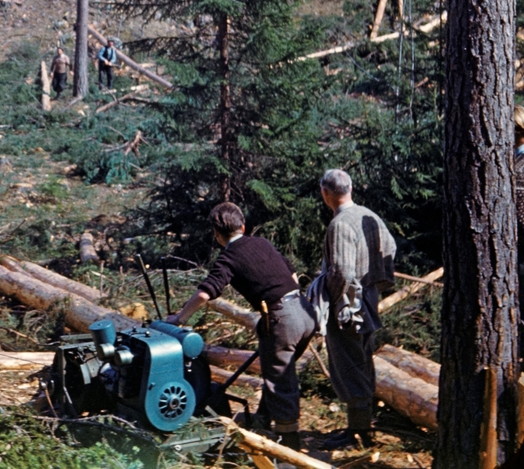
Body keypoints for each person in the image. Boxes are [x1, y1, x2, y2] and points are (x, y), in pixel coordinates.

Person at [166, 202, 315, 450]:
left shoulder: (229, 256)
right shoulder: (262, 243)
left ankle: (289, 448)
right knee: (275, 368)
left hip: (284, 318)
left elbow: (205, 293)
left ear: (217, 235)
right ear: (243, 226)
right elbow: (292, 274)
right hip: (306, 311)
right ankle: (263, 420)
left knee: (280, 382)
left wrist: (179, 319)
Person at [311, 169, 396, 451]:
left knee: (349, 366)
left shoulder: (340, 225)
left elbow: (343, 273)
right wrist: (376, 285)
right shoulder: (368, 215)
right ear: (350, 188)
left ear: (325, 193)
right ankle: (360, 428)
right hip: (368, 300)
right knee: (362, 362)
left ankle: (358, 433)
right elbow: (391, 249)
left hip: (349, 307)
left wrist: (336, 303)